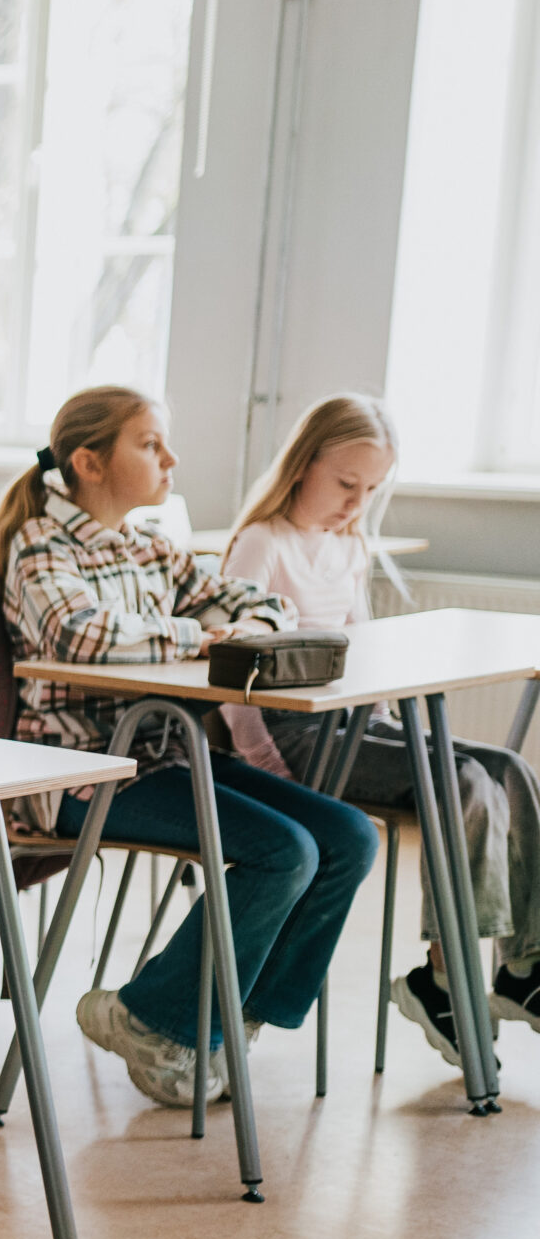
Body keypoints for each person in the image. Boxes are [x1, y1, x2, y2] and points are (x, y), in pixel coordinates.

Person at [0, 385, 378, 1103]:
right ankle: (155, 1017)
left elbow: (264, 604)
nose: (171, 458)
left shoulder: (149, 546)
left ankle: (226, 1019)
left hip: (168, 756)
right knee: (284, 852)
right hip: (83, 773)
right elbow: (79, 633)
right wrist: (202, 636)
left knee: (350, 837)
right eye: (149, 444)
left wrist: (244, 625)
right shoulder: (41, 544)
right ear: (89, 463)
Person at [220, 395, 537, 1064]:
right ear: (303, 464)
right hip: (295, 738)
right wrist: (267, 768)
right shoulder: (262, 543)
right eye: (345, 483)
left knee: (508, 770)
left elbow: (362, 658)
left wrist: (394, 730)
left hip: (358, 724)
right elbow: (232, 680)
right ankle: (443, 981)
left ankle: (524, 963)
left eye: (370, 489)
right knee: (462, 780)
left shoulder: (349, 546)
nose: (356, 503)